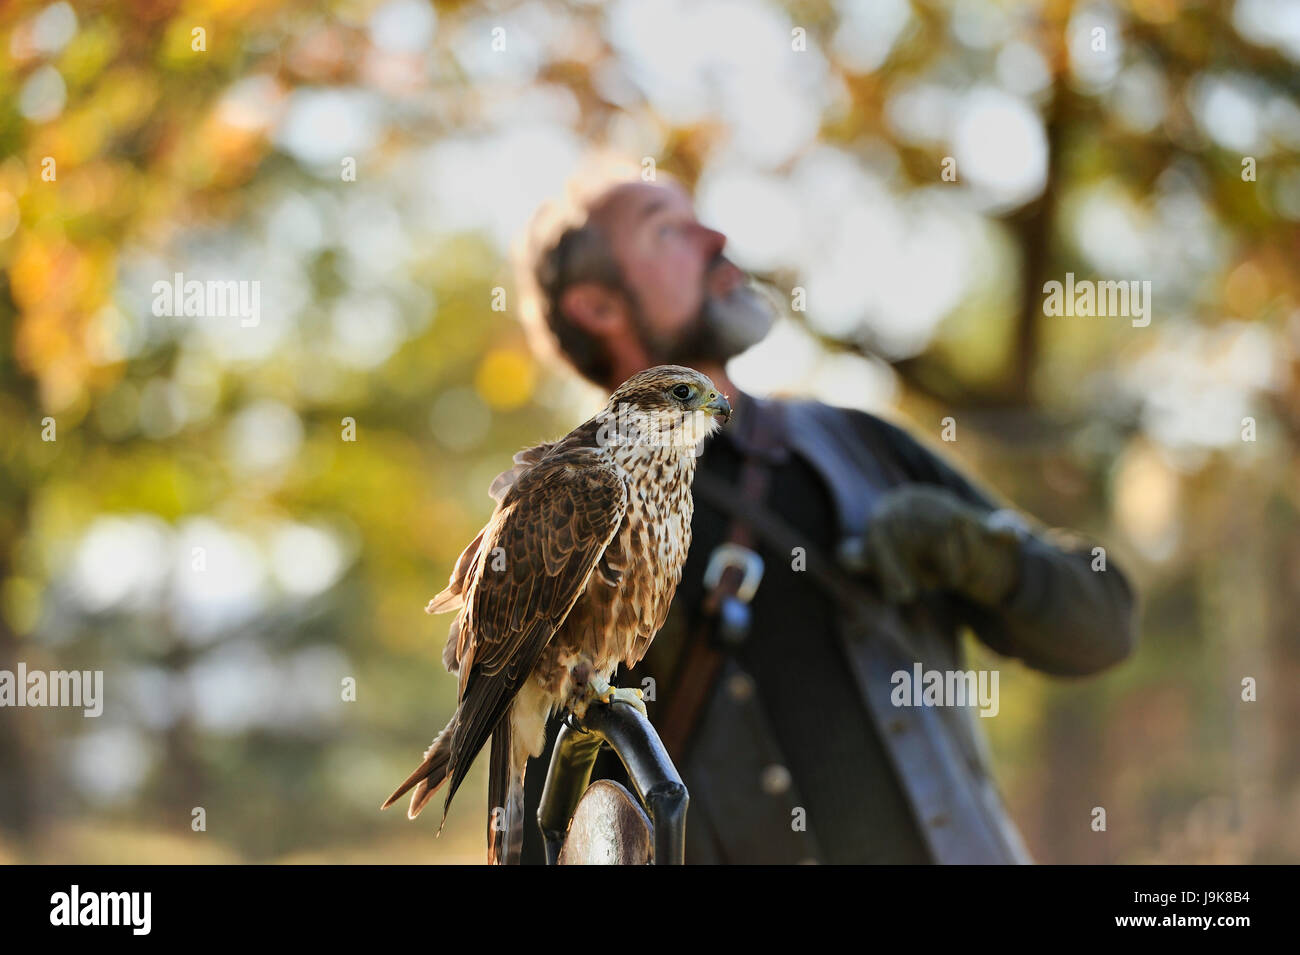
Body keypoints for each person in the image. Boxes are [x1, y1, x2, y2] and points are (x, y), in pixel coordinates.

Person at [509, 171, 1139, 864]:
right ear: (598, 304)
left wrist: (979, 553)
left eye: (700, 220)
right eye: (667, 230)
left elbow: (1103, 627)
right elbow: (549, 836)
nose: (716, 238)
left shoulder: (861, 448)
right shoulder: (562, 532)